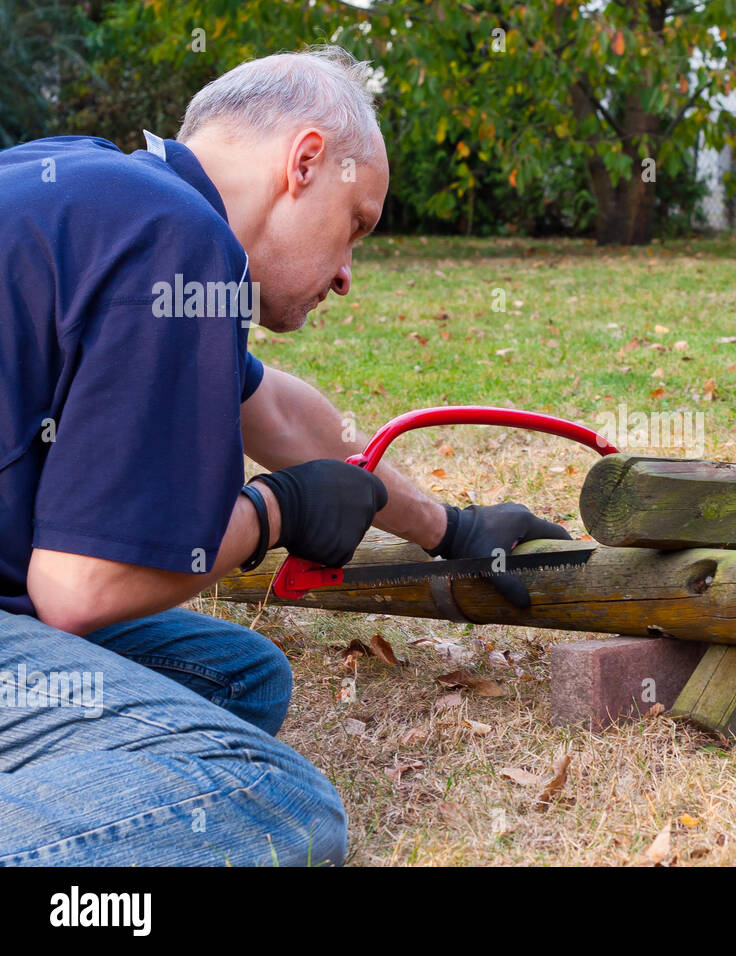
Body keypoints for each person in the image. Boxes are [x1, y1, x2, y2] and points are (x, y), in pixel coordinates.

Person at [0, 46, 569, 866]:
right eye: (357, 226)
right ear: (304, 162)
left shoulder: (96, 190)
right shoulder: (175, 237)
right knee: (275, 804)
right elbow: (81, 589)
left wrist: (450, 527)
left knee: (238, 677)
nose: (345, 275)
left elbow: (275, 412)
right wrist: (276, 513)